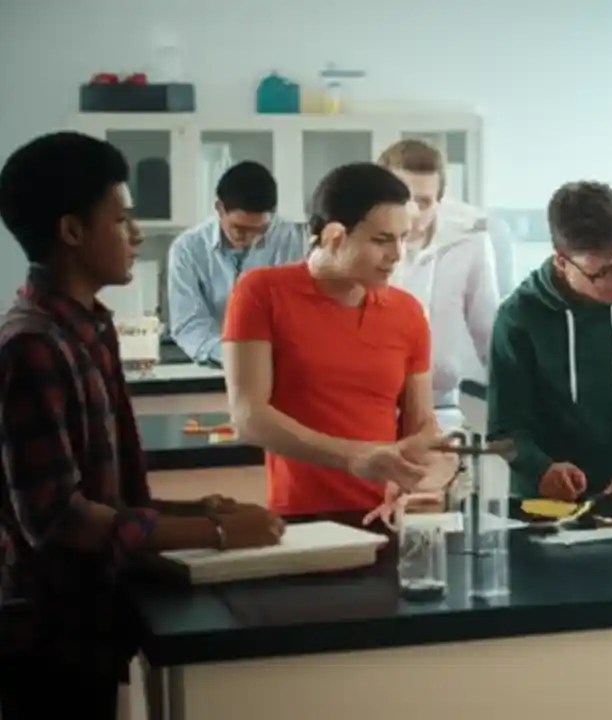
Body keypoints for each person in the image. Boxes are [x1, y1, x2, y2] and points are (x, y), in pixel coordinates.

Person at [0, 132, 283, 719]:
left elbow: (111, 496)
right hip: (49, 631)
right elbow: (59, 517)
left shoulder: (88, 328)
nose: (136, 235)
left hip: (96, 619)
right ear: (72, 231)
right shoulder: (31, 345)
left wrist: (197, 512)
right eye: (123, 218)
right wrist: (219, 535)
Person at [222, 162, 456, 518]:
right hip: (303, 520)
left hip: (388, 516)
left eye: (402, 239)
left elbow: (421, 423)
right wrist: (354, 457)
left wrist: (435, 470)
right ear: (334, 236)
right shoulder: (261, 292)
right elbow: (248, 416)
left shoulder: (407, 312)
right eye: (382, 240)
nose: (397, 254)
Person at [487, 181, 612, 508]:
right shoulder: (518, 317)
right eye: (601, 271)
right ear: (562, 262)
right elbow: (505, 430)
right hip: (547, 505)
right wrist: (541, 469)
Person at [379, 139, 499, 431]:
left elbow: (488, 329)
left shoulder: (469, 240)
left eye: (424, 202)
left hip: (441, 400)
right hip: (373, 398)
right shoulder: (358, 238)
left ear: (440, 201)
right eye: (403, 200)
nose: (413, 212)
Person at [167, 161, 306, 366]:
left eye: (259, 230)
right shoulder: (187, 248)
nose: (249, 238)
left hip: (285, 366)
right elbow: (189, 322)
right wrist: (236, 357)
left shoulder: (296, 240)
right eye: (239, 228)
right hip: (216, 367)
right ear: (220, 208)